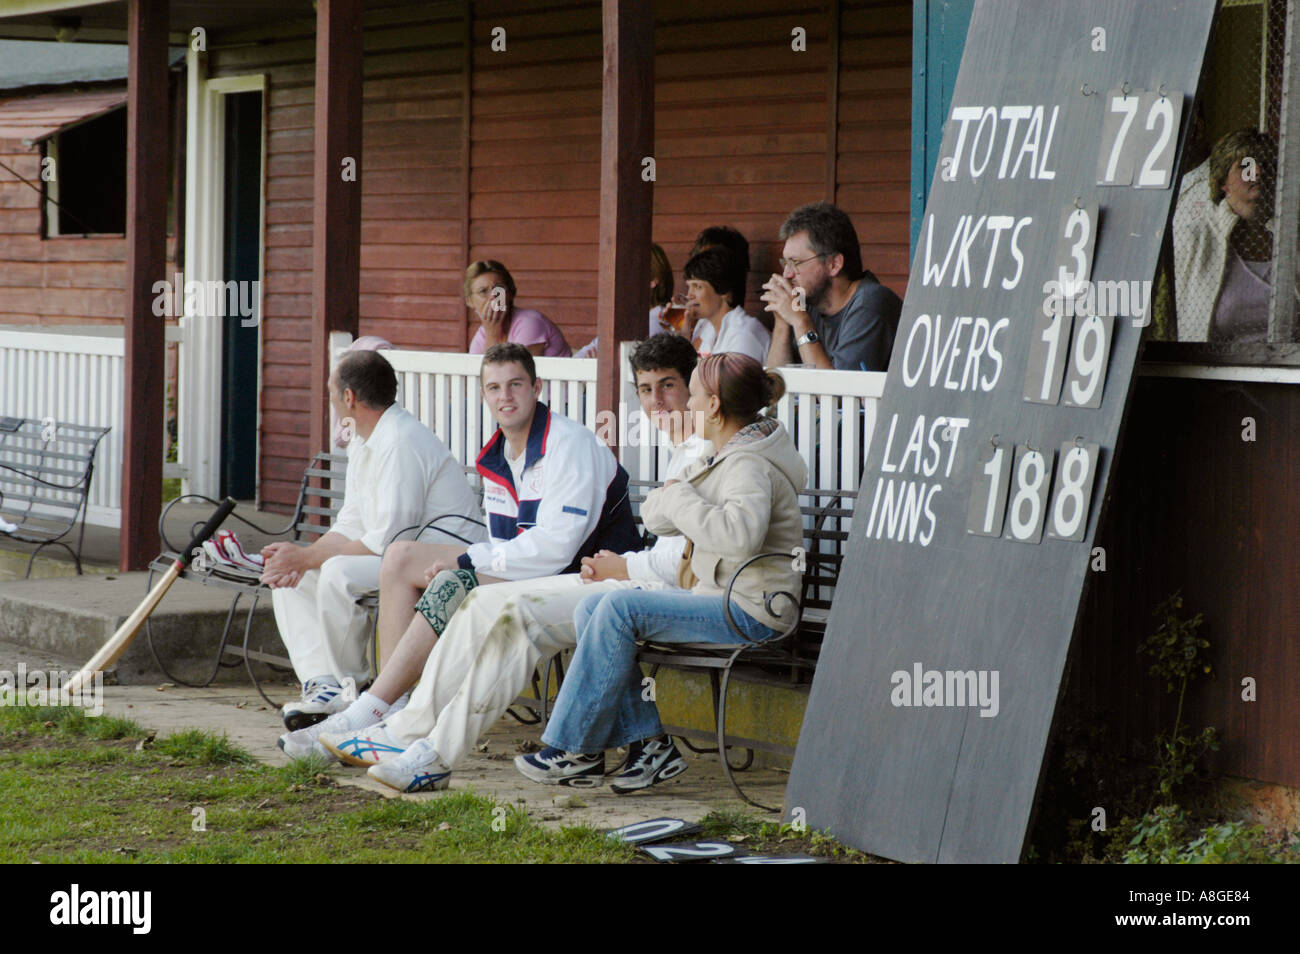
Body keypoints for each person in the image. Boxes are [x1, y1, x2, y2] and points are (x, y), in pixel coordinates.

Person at [277, 342, 640, 751]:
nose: (505, 397)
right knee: (398, 559)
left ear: (537, 388)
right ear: (484, 395)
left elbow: (555, 548)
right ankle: (392, 704)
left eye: (516, 384)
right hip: (541, 572)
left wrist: (469, 560)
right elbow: (506, 544)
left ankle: (375, 717)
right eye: (495, 388)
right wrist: (470, 562)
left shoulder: (569, 444)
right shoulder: (497, 454)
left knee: (453, 582)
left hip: (592, 576)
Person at [515, 353, 807, 792]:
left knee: (615, 607)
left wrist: (681, 498)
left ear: (713, 406)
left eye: (695, 397)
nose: (687, 406)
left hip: (754, 610)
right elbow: (655, 517)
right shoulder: (721, 455)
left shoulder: (748, 464)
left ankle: (574, 748)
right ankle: (649, 746)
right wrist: (678, 499)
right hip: (721, 598)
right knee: (594, 608)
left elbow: (739, 536)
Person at [263, 350, 484, 730]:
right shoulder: (365, 439)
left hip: (441, 562)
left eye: (333, 394)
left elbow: (387, 541)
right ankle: (325, 687)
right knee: (290, 581)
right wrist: (300, 558)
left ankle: (358, 694)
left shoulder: (401, 442)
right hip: (400, 554)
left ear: (349, 397)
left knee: (335, 572)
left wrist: (309, 557)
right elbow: (351, 522)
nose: (332, 402)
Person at [763, 201, 901, 370]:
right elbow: (774, 389)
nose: (786, 274)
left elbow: (839, 393)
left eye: (796, 262)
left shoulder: (870, 304)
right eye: (785, 263)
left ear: (834, 264)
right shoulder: (808, 304)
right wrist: (782, 322)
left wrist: (801, 323)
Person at [1173, 128, 1279, 343]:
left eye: (1265, 165)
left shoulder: (1289, 241)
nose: (1257, 171)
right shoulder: (1197, 241)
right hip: (1217, 369)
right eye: (1245, 166)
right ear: (1223, 182)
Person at [574, 243, 676, 358]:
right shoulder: (632, 317)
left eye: (630, 274)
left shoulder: (657, 318)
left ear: (652, 280)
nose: (621, 281)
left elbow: (637, 367)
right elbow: (582, 355)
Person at [681, 246, 771, 363]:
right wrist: (682, 337)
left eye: (698, 286)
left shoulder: (744, 333)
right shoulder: (707, 328)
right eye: (689, 287)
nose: (689, 295)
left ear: (724, 290)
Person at [465, 260, 571, 356]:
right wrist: (490, 334)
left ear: (510, 293)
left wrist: (492, 336)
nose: (493, 296)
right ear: (470, 301)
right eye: (483, 291)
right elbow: (479, 375)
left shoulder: (530, 322)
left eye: (499, 289)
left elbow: (516, 373)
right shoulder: (482, 334)